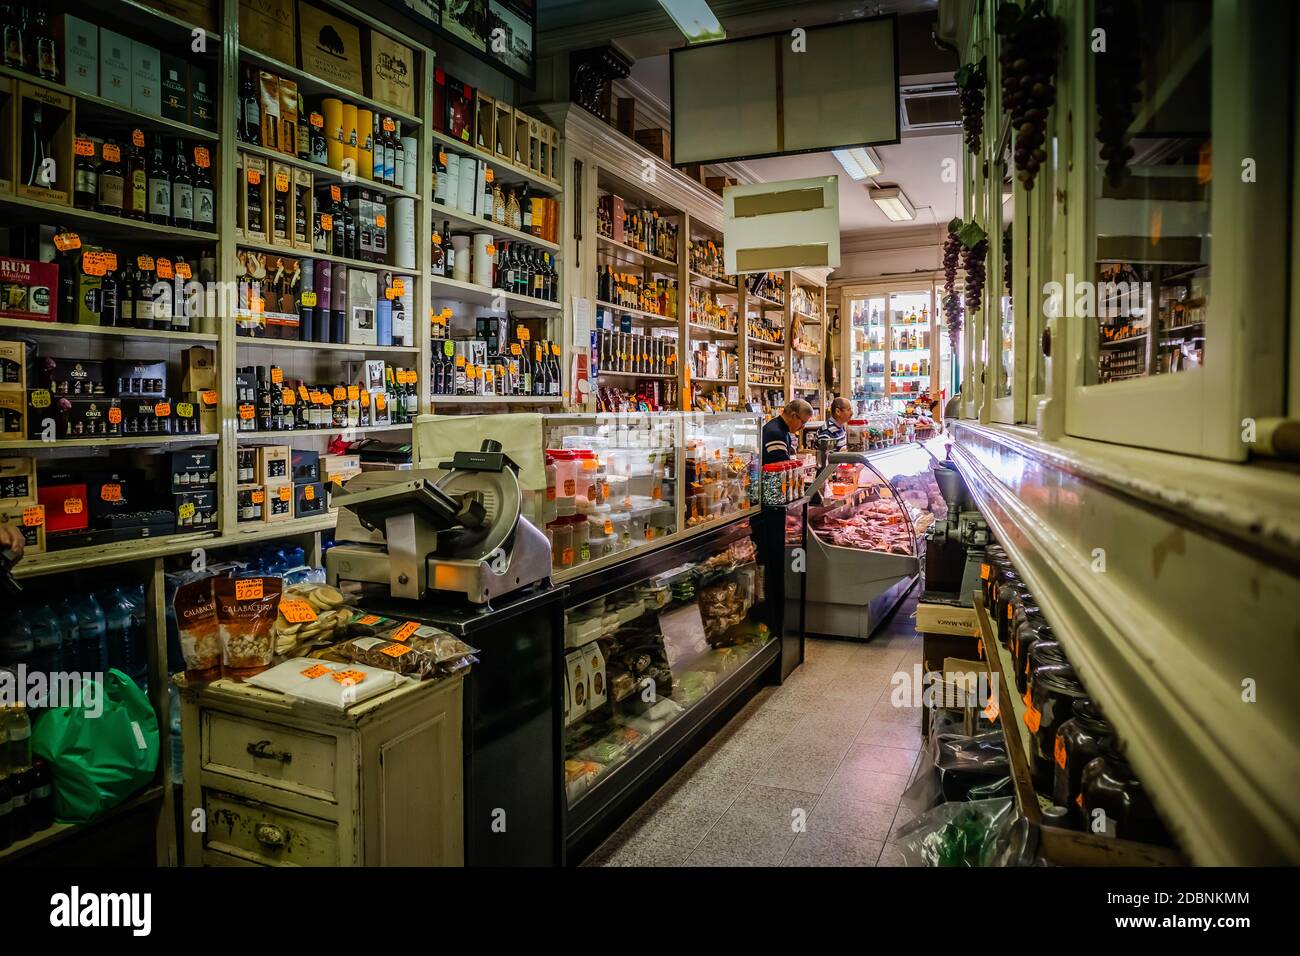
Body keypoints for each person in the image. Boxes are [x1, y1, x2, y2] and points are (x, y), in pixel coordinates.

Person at [762, 399, 813, 464]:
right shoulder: (776, 433)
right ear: (793, 416)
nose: (803, 427)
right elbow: (783, 466)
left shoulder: (780, 428)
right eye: (803, 422)